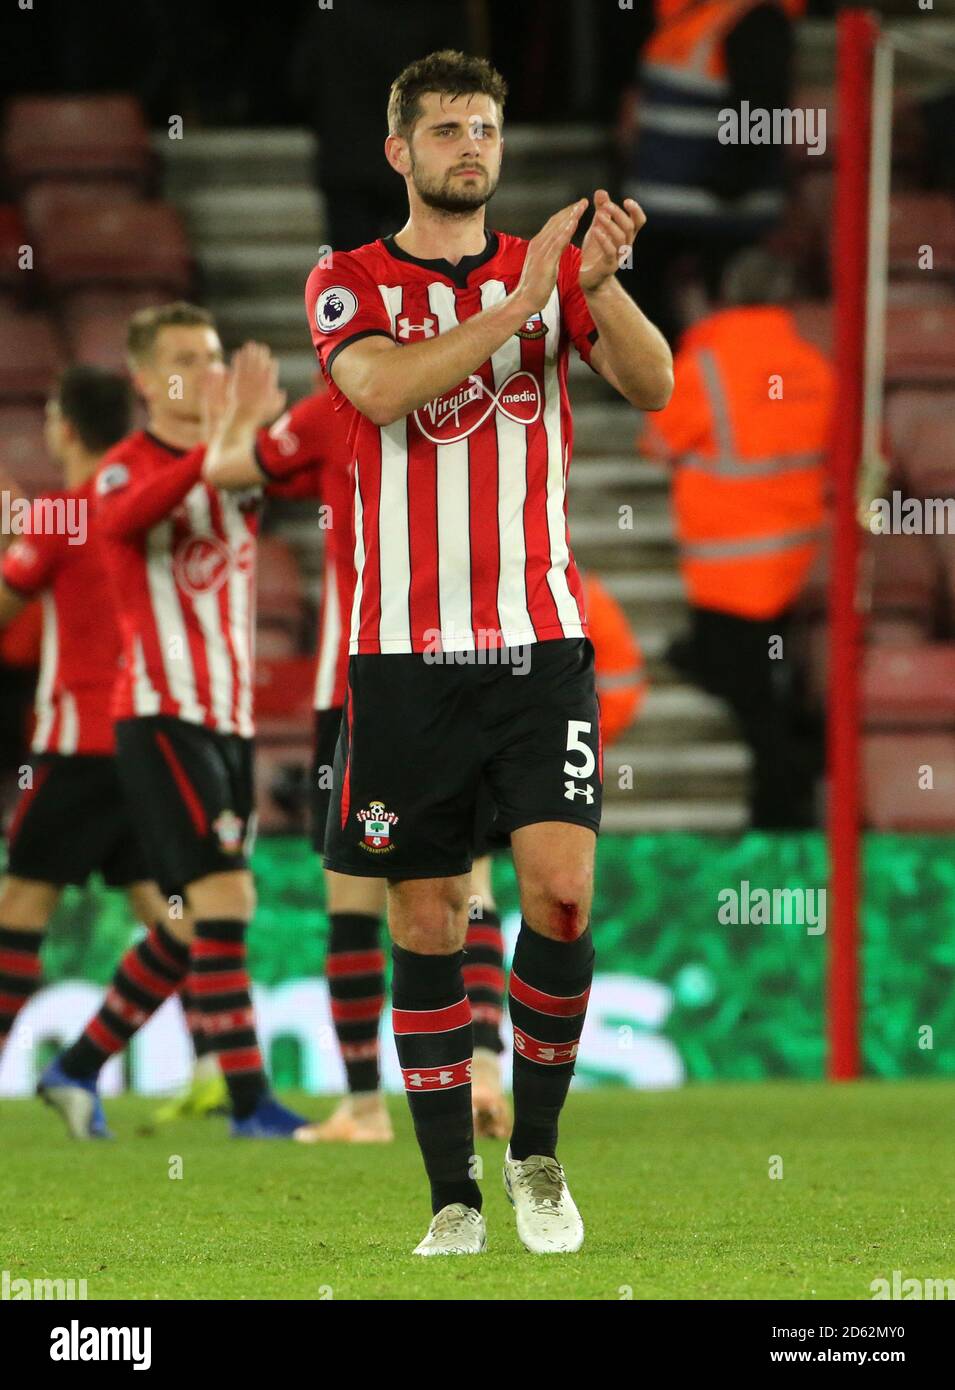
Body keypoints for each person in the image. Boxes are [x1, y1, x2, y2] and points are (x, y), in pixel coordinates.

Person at [303, 49, 672, 1256]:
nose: (472, 145)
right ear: (399, 151)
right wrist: (523, 305)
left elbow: (654, 384)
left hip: (538, 641)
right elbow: (384, 392)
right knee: (425, 917)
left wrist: (597, 286)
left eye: (487, 129)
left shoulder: (547, 274)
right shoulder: (346, 280)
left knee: (560, 892)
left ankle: (538, 1158)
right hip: (403, 656)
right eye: (448, 128)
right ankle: (450, 1194)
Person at [206, 383, 514, 1142]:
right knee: (469, 880)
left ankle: (365, 1107)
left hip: (361, 681)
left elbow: (227, 474)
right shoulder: (483, 390)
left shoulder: (334, 406)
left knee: (352, 896)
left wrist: (238, 421)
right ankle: (482, 1069)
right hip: (472, 669)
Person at [38, 306, 308, 1139]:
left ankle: (77, 1067)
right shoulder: (123, 469)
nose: (209, 369)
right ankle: (250, 1101)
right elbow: (123, 520)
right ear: (149, 381)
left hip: (228, 718)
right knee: (223, 898)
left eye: (215, 355)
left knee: (200, 914)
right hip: (158, 715)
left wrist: (267, 437)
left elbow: (313, 470)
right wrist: (218, 447)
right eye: (188, 358)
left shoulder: (234, 466)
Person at [0, 367, 169, 1102]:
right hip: (150, 744)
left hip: (77, 748)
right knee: (171, 917)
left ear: (64, 427)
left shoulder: (59, 515)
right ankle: (190, 1069)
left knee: (19, 912)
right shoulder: (148, 506)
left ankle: (68, 1067)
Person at [640, 248, 832, 827]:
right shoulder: (815, 367)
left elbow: (657, 445)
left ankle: (780, 806)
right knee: (756, 683)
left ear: (728, 297)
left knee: (753, 704)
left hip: (728, 567)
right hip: (799, 561)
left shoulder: (704, 367)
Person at [618, 0, 803, 345]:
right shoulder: (690, 17)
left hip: (719, 220)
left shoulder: (753, 18)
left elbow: (762, 109)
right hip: (669, 210)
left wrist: (729, 187)